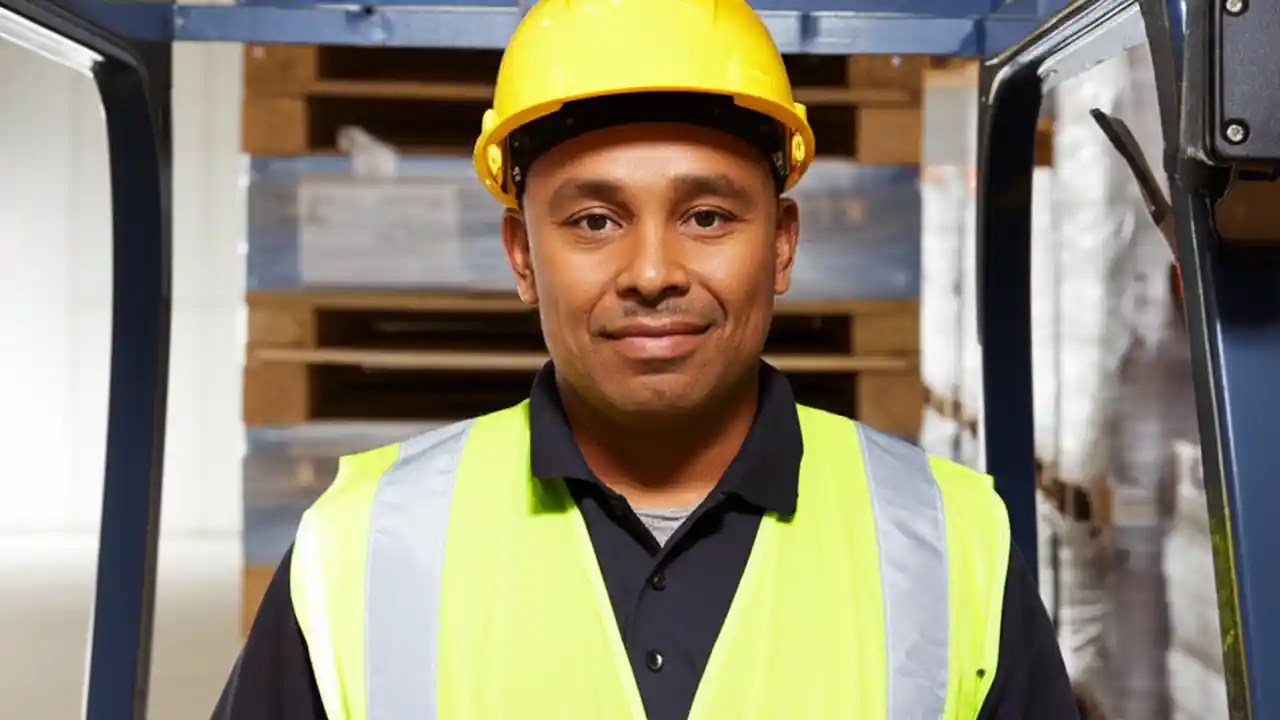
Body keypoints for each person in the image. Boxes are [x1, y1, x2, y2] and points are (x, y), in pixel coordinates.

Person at [214, 0, 1078, 718]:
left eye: (707, 216)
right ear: (522, 255)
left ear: (782, 245)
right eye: (594, 221)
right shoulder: (360, 546)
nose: (654, 274)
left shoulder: (950, 543)